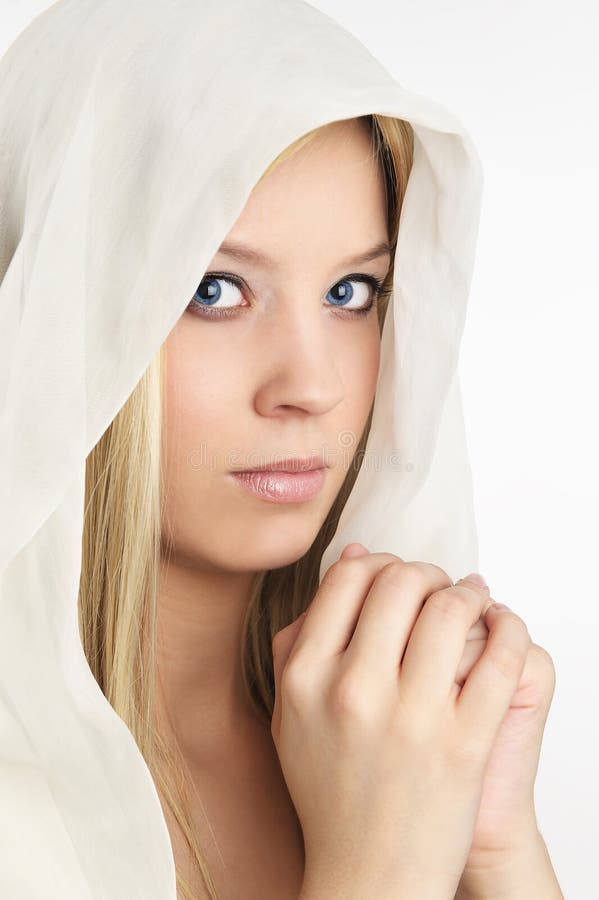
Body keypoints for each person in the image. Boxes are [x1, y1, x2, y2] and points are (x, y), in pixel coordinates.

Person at [0, 1, 563, 899]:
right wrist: (381, 867)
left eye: (351, 291)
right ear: (55, 308)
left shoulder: (397, 739)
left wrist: (498, 854)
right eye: (213, 289)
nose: (313, 386)